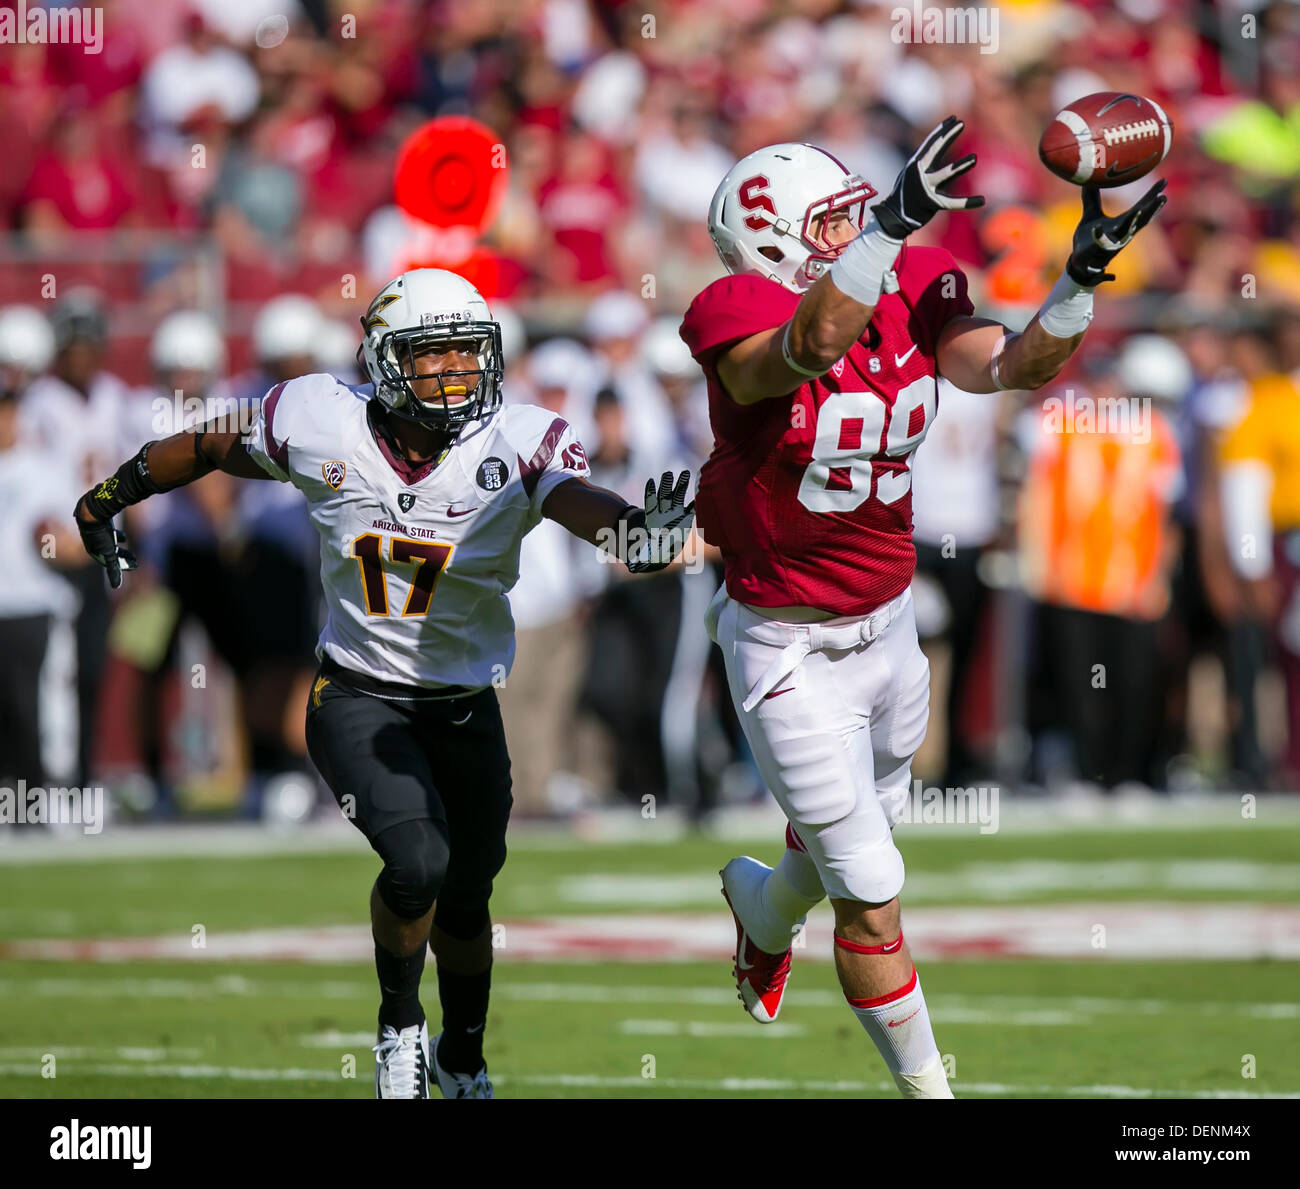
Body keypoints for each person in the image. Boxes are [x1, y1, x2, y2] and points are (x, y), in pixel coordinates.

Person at [74, 268, 694, 1098]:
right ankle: (400, 1025)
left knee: (469, 901)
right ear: (386, 360)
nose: (457, 372)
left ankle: (463, 1056)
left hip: (467, 705)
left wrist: (628, 531)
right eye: (435, 354)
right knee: (418, 861)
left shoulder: (515, 440)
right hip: (358, 695)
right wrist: (113, 495)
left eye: (468, 354)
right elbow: (215, 442)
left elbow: (572, 498)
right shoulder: (319, 419)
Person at [680, 119, 1167, 1098]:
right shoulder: (731, 307)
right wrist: (889, 228)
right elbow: (812, 345)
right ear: (769, 243)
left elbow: (1014, 367)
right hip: (787, 643)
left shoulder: (909, 278)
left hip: (890, 624)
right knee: (871, 891)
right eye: (828, 224)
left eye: (855, 214)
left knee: (854, 842)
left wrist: (1076, 284)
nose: (855, 230)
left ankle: (762, 911)